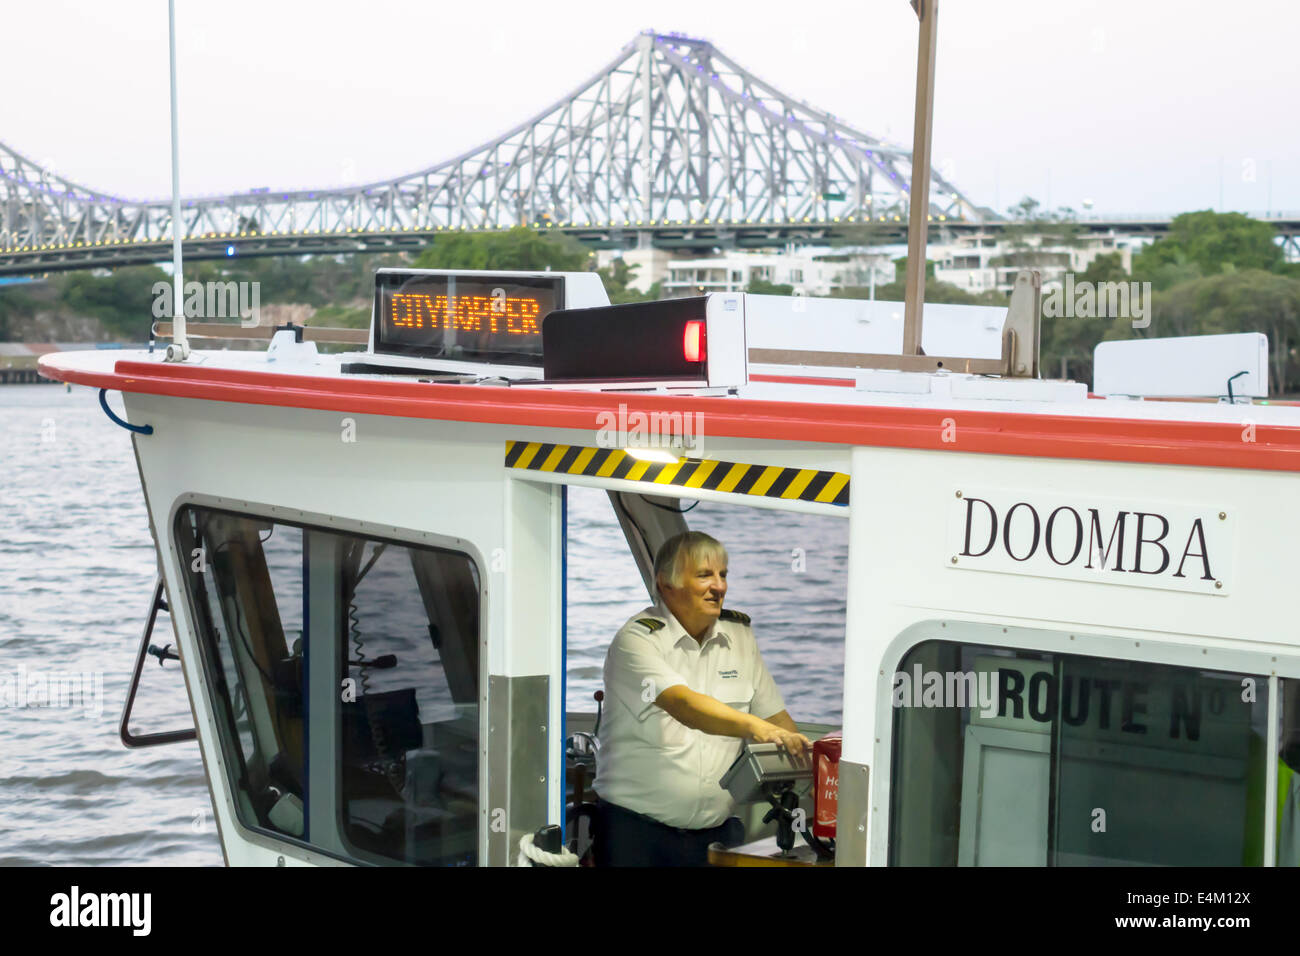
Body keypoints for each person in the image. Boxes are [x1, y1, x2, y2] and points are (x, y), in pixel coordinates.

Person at [592, 530, 810, 867]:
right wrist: (755, 728)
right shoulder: (637, 640)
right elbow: (685, 706)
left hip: (717, 834)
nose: (719, 586)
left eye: (723, 575)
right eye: (705, 575)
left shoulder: (740, 637)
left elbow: (775, 719)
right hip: (635, 833)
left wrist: (815, 762)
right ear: (667, 584)